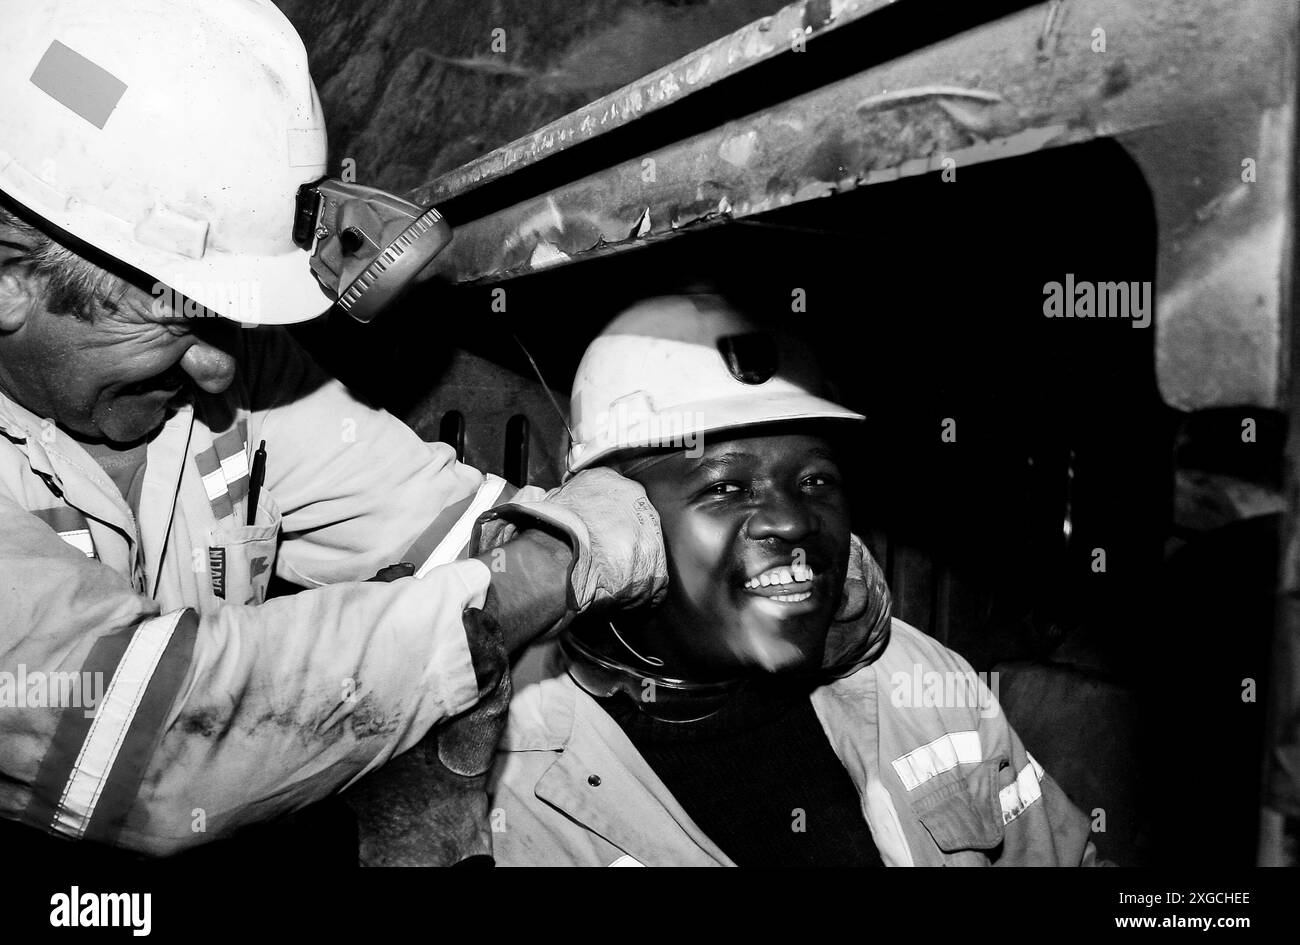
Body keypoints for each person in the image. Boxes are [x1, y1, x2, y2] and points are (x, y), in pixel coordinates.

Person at [0, 0, 665, 860]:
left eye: (232, 322)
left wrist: (629, 530)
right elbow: (152, 745)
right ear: (11, 281)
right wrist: (531, 583)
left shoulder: (248, 381)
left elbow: (455, 528)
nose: (218, 371)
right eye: (179, 322)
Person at [489, 294, 1101, 866]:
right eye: (726, 487)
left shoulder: (917, 678)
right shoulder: (511, 769)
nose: (792, 519)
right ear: (615, 516)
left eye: (817, 481)